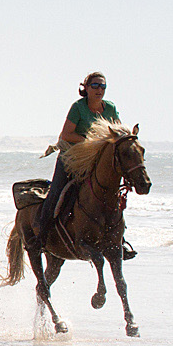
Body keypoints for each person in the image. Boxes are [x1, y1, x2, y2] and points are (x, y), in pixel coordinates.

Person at [37, 71, 121, 239]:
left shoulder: (110, 108)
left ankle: (119, 238)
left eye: (102, 86)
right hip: (72, 157)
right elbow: (66, 134)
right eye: (95, 85)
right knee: (56, 191)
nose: (99, 90)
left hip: (95, 159)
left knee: (111, 195)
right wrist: (90, 140)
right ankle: (40, 235)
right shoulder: (78, 107)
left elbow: (117, 133)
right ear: (86, 88)